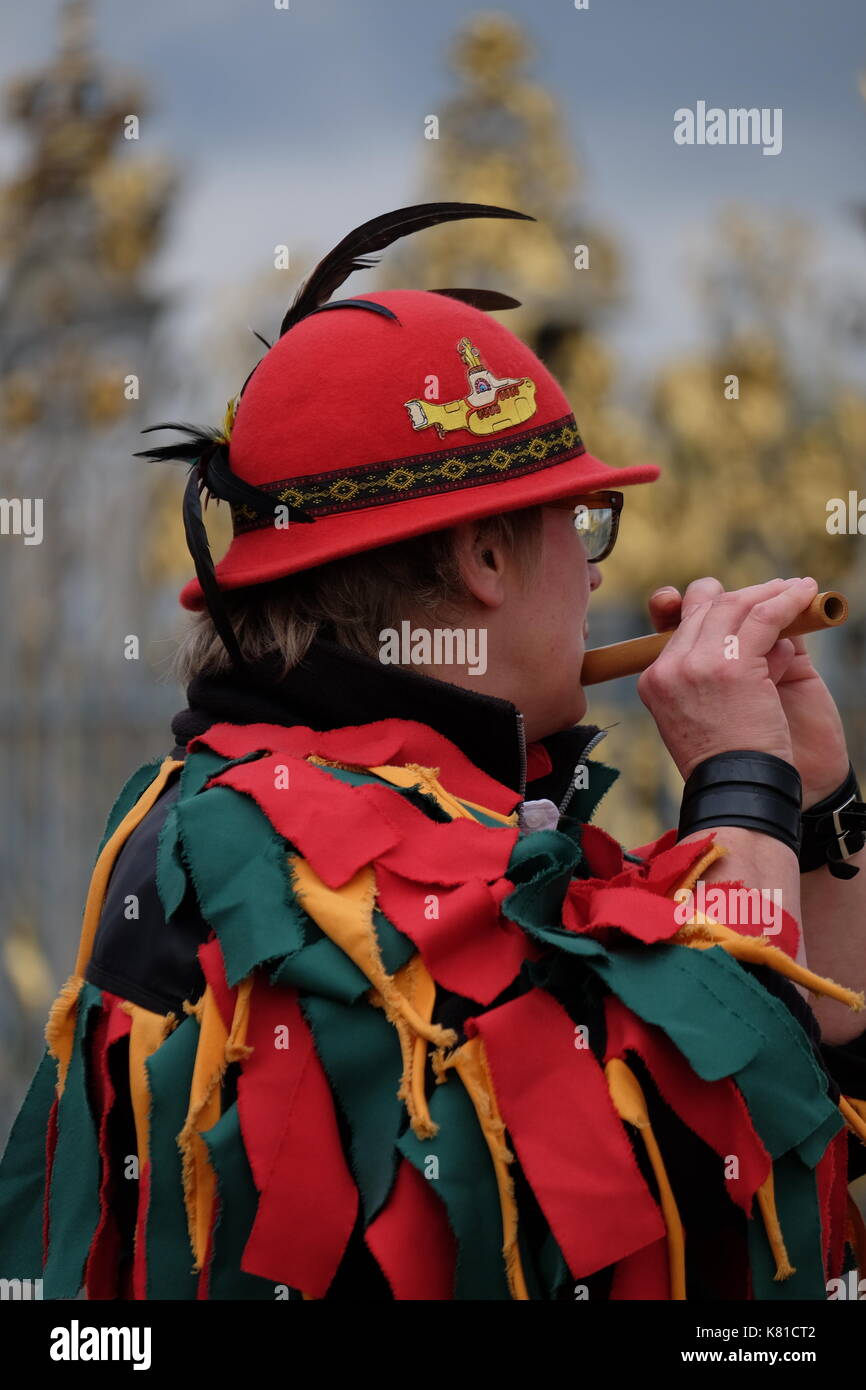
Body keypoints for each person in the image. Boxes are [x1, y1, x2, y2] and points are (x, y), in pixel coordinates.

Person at [1, 202, 866, 1302]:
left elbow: (826, 1059)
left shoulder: (403, 810)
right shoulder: (301, 852)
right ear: (486, 557)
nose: (596, 573)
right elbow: (729, 1184)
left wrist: (815, 802)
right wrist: (738, 786)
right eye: (581, 521)